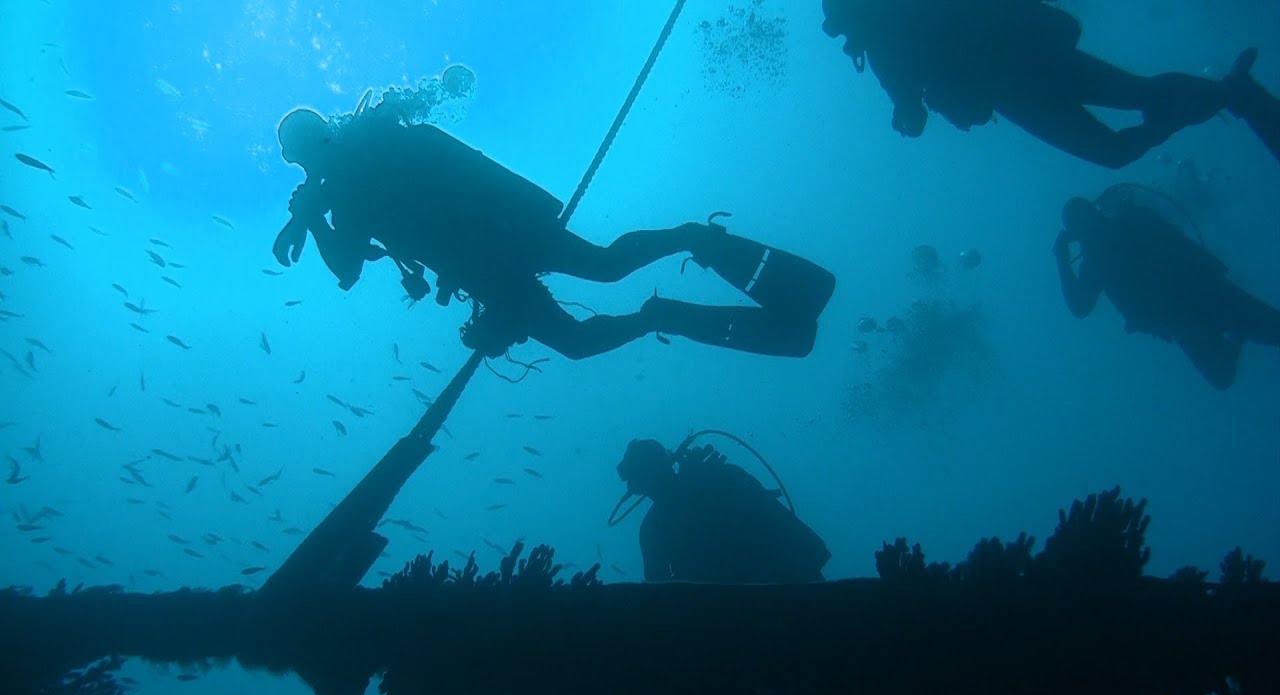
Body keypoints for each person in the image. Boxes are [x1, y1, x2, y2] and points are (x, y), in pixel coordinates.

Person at [273, 106, 835, 360]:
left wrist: (313, 219)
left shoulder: (344, 191)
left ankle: (666, 299)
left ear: (306, 151)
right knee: (602, 275)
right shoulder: (363, 164)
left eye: (296, 158)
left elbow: (347, 272)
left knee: (581, 328)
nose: (302, 168)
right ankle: (686, 250)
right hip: (503, 240)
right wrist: (315, 216)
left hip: (495, 253)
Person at [820, 0, 1279, 168]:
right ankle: (1227, 92)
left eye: (840, 28)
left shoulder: (887, 42)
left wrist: (907, 116)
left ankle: (1218, 97)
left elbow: (913, 113)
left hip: (1022, 86)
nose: (845, 41)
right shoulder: (893, 35)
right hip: (1034, 64)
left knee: (1114, 147)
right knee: (1137, 98)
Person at [1054, 185, 1280, 389]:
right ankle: (1238, 332)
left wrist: (1062, 259)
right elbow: (1081, 308)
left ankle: (1237, 333)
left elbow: (1080, 307)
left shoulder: (1106, 249)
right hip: (1193, 306)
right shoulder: (1123, 228)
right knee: (1223, 375)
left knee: (1225, 372)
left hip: (1196, 303)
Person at [614, 438, 831, 584]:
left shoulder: (653, 528)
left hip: (740, 614)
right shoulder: (722, 475)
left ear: (637, 488)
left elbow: (657, 598)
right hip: (792, 583)